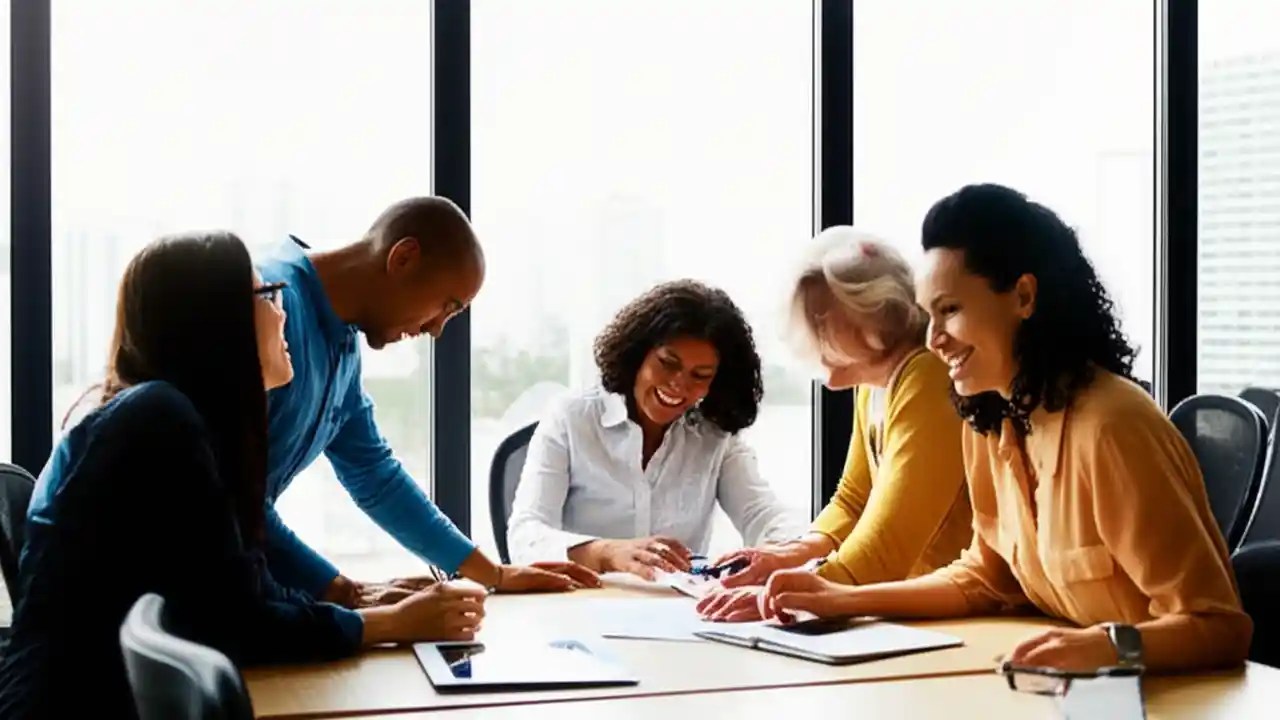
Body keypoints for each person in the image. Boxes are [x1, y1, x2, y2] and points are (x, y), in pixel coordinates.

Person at [757, 184, 1253, 673]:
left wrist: (1108, 648)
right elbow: (984, 576)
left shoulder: (1112, 428)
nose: (933, 340)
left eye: (949, 310)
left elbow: (1218, 625)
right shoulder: (989, 421)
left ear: (1023, 296)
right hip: (1056, 691)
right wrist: (839, 598)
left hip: (1156, 699)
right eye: (928, 315)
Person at [0, 233, 485, 718]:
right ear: (214, 325)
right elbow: (240, 623)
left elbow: (247, 590)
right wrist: (390, 623)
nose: (281, 314)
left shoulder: (178, 423)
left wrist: (361, 607)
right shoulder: (158, 420)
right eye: (265, 297)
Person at [257, 197, 599, 606]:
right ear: (403, 258)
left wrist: (492, 574)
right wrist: (343, 591)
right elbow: (230, 499)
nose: (437, 329)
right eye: (447, 307)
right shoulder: (267, 307)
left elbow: (374, 475)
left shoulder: (343, 343)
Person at [696, 228, 971, 621]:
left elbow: (889, 545)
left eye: (823, 319)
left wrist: (801, 590)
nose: (814, 330)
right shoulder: (876, 382)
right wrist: (787, 556)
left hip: (957, 610)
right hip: (916, 606)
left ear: (873, 311)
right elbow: (852, 500)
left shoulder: (926, 374)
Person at [507, 280, 804, 578]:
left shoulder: (715, 435)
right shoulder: (571, 418)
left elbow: (762, 514)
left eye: (699, 376)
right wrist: (606, 553)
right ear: (638, 354)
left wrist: (794, 552)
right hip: (581, 605)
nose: (679, 384)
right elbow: (525, 535)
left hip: (677, 613)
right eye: (667, 363)